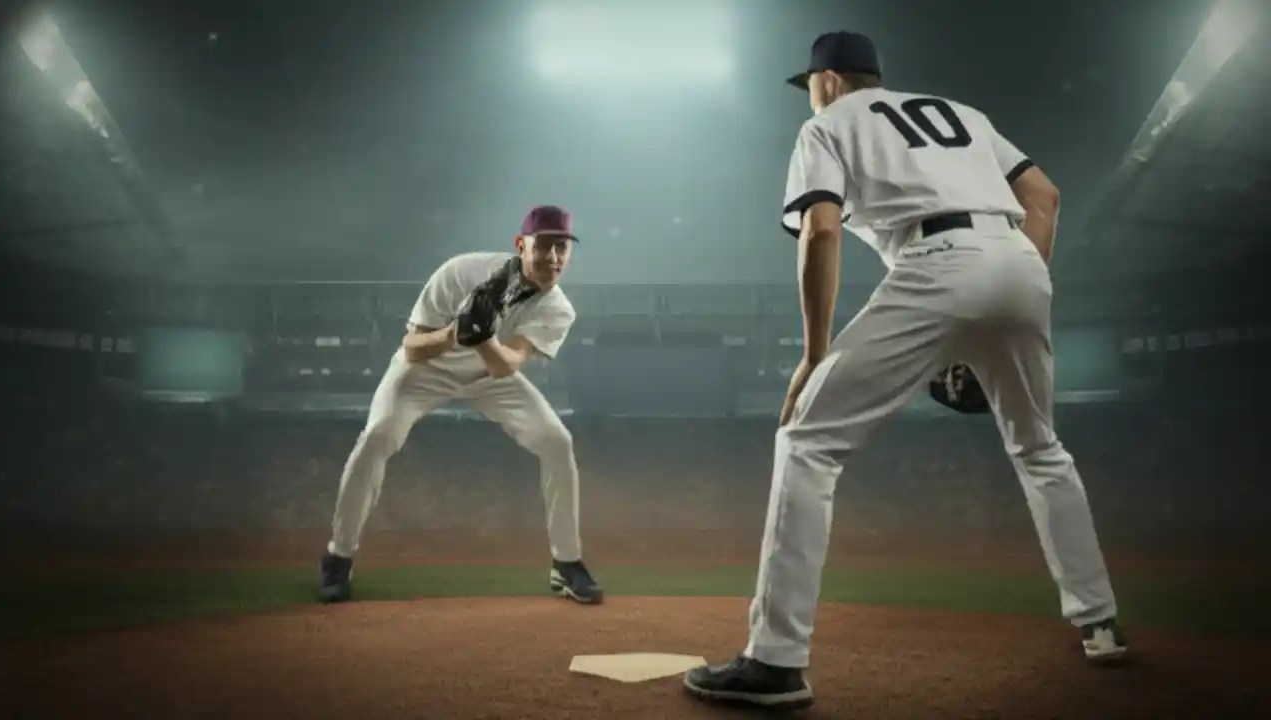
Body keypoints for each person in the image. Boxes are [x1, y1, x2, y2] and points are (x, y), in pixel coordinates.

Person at [684, 31, 1126, 709]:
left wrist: (813, 356)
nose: (810, 96)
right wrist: (1011, 287)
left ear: (829, 80)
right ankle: (1100, 621)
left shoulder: (827, 123)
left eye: (809, 84)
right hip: (1018, 260)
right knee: (1041, 450)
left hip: (935, 263)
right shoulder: (961, 114)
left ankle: (774, 660)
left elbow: (821, 231)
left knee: (806, 442)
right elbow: (1046, 196)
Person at [317, 205, 603, 606]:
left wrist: (480, 337)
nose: (553, 257)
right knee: (378, 436)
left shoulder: (558, 308)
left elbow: (505, 366)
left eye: (562, 248)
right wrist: (454, 334)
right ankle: (338, 556)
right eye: (544, 246)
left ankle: (567, 563)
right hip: (425, 370)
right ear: (521, 245)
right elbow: (412, 348)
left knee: (557, 441)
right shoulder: (461, 272)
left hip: (489, 373)